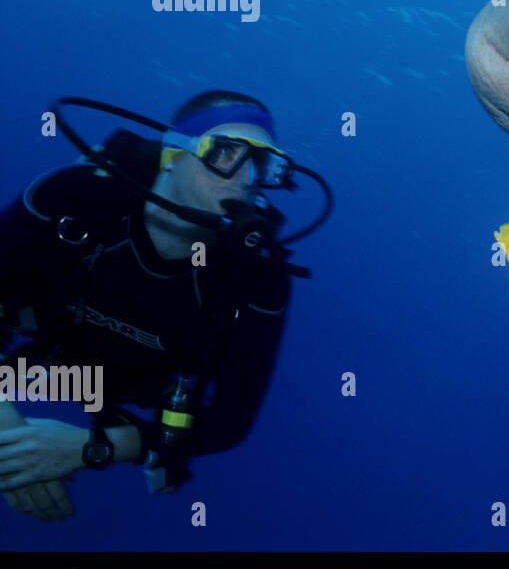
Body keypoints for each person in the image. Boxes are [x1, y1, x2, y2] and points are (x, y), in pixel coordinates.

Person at [0, 91, 308, 521]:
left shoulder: (257, 279)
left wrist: (98, 448)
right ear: (173, 153)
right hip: (42, 357)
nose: (246, 179)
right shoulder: (74, 199)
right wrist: (8, 437)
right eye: (226, 153)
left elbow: (231, 421)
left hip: (144, 389)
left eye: (264, 164)